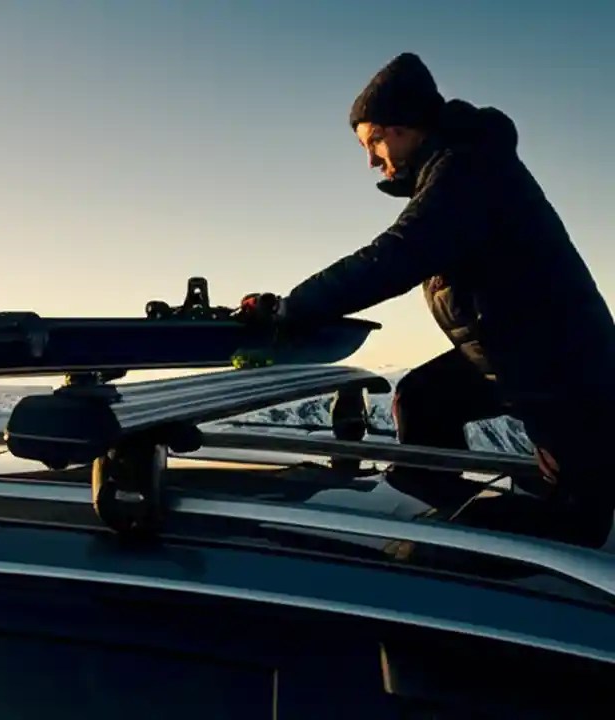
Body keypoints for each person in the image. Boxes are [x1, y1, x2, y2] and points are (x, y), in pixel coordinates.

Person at [239, 52, 615, 546]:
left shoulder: (468, 170)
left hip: (568, 375)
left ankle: (445, 555)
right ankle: (433, 507)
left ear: (404, 127)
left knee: (577, 523)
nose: (371, 159)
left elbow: (396, 256)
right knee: (422, 398)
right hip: (520, 357)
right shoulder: (457, 168)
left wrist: (293, 308)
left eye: (373, 141)